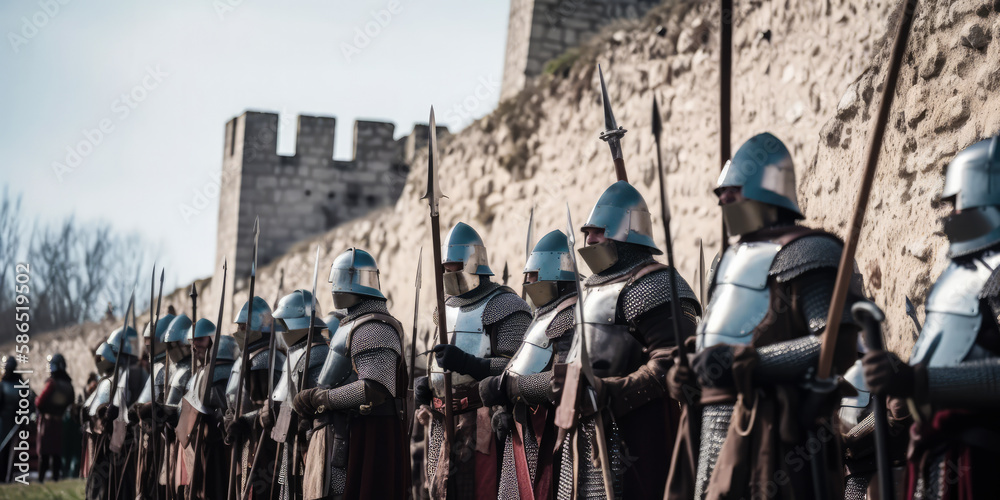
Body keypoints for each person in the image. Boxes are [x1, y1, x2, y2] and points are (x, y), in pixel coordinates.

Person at [666, 133, 857, 499]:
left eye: (733, 189)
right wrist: (687, 370)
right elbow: (715, 343)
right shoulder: (727, 260)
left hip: (780, 435)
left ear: (768, 188)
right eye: (720, 192)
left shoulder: (810, 250)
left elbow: (836, 345)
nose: (723, 198)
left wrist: (752, 364)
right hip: (710, 423)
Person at [863, 135, 1000, 499]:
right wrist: (902, 386)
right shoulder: (956, 276)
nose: (950, 215)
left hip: (984, 462)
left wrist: (918, 380)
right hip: (941, 456)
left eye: (957, 204)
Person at [548, 181, 699, 499]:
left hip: (636, 435)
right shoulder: (588, 289)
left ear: (626, 233)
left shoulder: (656, 283)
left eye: (598, 231)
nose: (589, 240)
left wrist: (613, 392)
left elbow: (673, 360)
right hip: (582, 436)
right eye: (587, 232)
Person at [416, 222, 531, 499]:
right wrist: (429, 384)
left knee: (482, 491)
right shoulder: (444, 309)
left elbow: (519, 368)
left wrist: (470, 365)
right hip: (443, 420)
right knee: (441, 490)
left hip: (484, 420)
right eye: (445, 266)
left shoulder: (506, 305)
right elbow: (439, 360)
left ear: (473, 262)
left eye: (455, 265)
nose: (449, 272)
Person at [293, 248, 411, 499]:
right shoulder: (352, 323)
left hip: (368, 437)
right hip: (347, 431)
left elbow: (373, 389)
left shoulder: (374, 327)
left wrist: (321, 398)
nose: (334, 289)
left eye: (338, 282)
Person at [478, 229, 579, 499]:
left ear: (554, 274)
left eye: (534, 275)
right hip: (524, 425)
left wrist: (512, 387)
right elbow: (519, 365)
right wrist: (505, 405)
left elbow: (560, 381)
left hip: (549, 428)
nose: (528, 282)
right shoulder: (542, 316)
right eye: (527, 275)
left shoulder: (570, 315)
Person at [264, 289, 329, 500]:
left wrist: (306, 430)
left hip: (309, 445)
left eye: (284, 322)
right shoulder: (295, 353)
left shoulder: (318, 353)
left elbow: (324, 404)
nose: (281, 330)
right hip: (290, 443)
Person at [224, 296, 284, 499]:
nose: (239, 332)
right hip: (246, 441)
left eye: (243, 327)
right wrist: (229, 418)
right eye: (239, 327)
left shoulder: (267, 360)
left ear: (257, 329)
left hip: (264, 444)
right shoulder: (246, 359)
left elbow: (275, 407)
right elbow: (233, 401)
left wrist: (244, 421)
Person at [179, 319, 237, 500]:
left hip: (220, 443)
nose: (195, 347)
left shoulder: (220, 374)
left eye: (201, 341)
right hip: (204, 442)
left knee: (218, 488)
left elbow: (227, 407)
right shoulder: (200, 374)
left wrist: (215, 418)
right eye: (193, 343)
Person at [35, 353, 75, 483]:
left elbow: (39, 402)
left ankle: (41, 480)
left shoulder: (51, 384)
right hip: (60, 423)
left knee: (44, 453)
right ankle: (55, 479)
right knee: (57, 454)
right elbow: (71, 402)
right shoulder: (69, 385)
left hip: (48, 422)